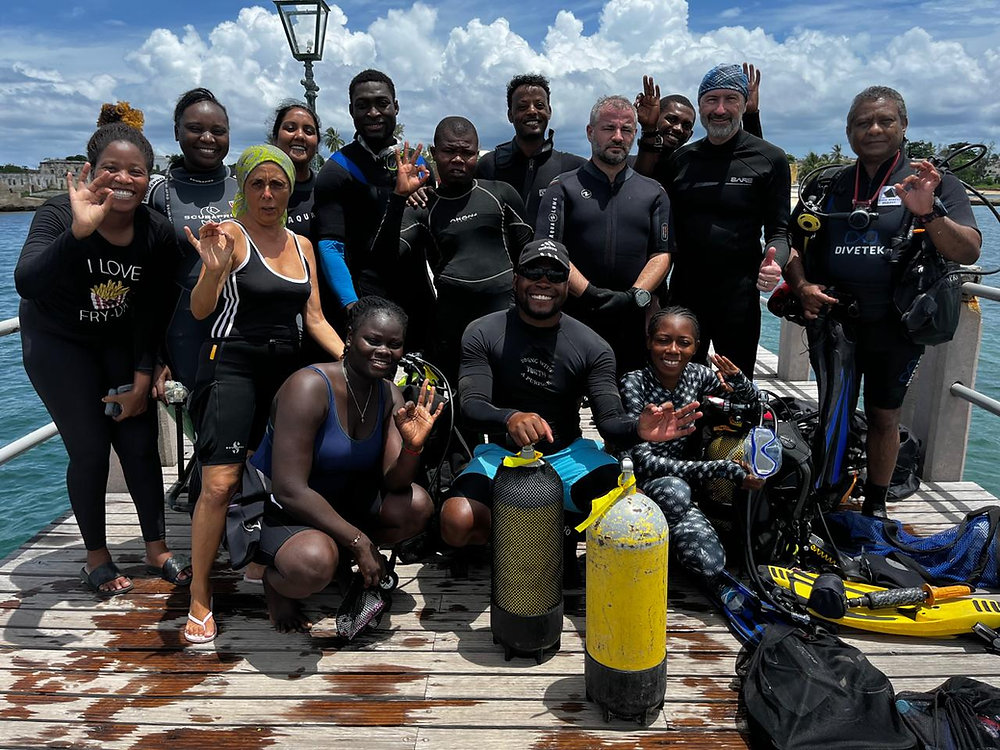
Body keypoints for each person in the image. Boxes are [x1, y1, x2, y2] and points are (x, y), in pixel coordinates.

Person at [783, 86, 981, 518]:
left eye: (884, 120)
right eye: (862, 123)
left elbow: (968, 250)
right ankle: (824, 494)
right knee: (832, 409)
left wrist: (928, 212)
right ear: (848, 132)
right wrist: (801, 286)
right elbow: (791, 242)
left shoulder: (932, 181)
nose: (873, 129)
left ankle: (875, 505)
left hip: (896, 324)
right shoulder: (828, 184)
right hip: (834, 320)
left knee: (883, 415)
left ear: (904, 126)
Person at [15, 121, 190, 596]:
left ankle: (157, 548)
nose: (123, 179)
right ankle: (95, 557)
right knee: (90, 447)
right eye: (111, 168)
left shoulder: (155, 232)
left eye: (136, 171)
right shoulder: (57, 214)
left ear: (149, 178)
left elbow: (153, 309)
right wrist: (78, 233)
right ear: (91, 170)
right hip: (57, 343)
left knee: (137, 440)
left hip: (115, 339)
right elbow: (27, 282)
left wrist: (145, 373)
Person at [182, 145, 345, 644]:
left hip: (284, 368)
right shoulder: (230, 235)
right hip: (232, 363)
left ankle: (260, 556)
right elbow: (200, 310)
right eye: (258, 184)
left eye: (278, 184)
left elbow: (314, 319)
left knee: (275, 473)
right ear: (244, 187)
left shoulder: (302, 244)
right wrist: (213, 270)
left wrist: (358, 363)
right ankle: (200, 594)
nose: (268, 194)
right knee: (220, 482)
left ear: (290, 189)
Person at [439, 239, 701, 548]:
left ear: (567, 285)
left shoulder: (593, 346)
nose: (543, 282)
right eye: (533, 272)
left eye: (555, 275)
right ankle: (519, 535)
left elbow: (610, 421)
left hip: (568, 456)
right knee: (456, 521)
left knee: (633, 516)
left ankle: (560, 522)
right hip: (502, 455)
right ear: (515, 279)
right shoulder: (482, 332)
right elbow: (471, 405)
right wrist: (510, 418)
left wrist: (637, 428)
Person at [249, 297, 439, 632]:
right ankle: (276, 582)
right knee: (313, 563)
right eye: (373, 340)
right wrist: (359, 542)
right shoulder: (308, 386)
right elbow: (289, 489)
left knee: (417, 505)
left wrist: (413, 447)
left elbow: (395, 482)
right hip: (282, 508)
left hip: (341, 501)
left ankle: (339, 559)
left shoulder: (388, 394)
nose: (384, 351)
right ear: (350, 337)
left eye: (394, 344)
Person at [371, 119, 533, 382]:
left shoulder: (501, 194)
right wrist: (399, 198)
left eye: (467, 152)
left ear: (477, 154)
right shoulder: (422, 206)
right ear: (434, 154)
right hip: (450, 332)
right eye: (449, 151)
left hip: (507, 323)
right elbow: (384, 260)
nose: (458, 159)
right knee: (454, 403)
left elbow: (529, 259)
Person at [661, 63, 789, 376]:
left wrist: (775, 264)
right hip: (684, 294)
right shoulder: (681, 159)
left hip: (739, 299)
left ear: (744, 105)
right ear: (700, 106)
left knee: (735, 388)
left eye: (730, 99)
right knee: (679, 384)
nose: (720, 109)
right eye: (711, 100)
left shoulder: (770, 159)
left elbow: (780, 231)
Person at [620, 307, 762, 583]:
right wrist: (722, 469)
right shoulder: (633, 382)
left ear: (696, 347)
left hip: (683, 483)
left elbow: (753, 406)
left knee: (710, 564)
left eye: (683, 343)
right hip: (638, 482)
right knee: (674, 491)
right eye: (663, 340)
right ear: (649, 342)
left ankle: (665, 540)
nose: (672, 350)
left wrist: (739, 381)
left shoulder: (699, 375)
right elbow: (644, 462)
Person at [535, 95, 671, 374]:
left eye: (627, 130)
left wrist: (634, 295)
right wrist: (589, 294)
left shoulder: (654, 192)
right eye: (609, 128)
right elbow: (549, 248)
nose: (618, 137)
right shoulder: (562, 188)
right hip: (573, 315)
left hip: (631, 318)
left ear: (635, 134)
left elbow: (662, 253)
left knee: (627, 398)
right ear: (590, 132)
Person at [312, 69, 429, 330]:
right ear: (351, 111)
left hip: (419, 304)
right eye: (363, 105)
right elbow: (331, 246)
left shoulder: (418, 164)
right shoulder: (337, 171)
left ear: (396, 107)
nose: (373, 113)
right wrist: (353, 307)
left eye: (382, 103)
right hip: (366, 305)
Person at [146, 88, 238, 390]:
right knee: (193, 413)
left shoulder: (245, 188)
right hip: (183, 331)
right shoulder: (158, 192)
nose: (207, 138)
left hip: (240, 329)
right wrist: (154, 358)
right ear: (177, 132)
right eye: (195, 129)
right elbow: (147, 282)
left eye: (218, 131)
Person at [475, 74, 586, 228]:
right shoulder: (488, 166)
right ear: (510, 115)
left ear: (549, 111)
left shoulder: (574, 168)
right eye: (522, 107)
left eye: (539, 105)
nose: (532, 111)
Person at [632, 63, 763, 186]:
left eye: (686, 126)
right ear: (655, 117)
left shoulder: (687, 169)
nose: (678, 128)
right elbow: (640, 185)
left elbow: (753, 165)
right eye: (671, 119)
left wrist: (750, 116)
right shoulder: (626, 166)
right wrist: (649, 129)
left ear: (690, 136)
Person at [269, 99, 321, 243]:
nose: (300, 136)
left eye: (309, 131)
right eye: (290, 128)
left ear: (317, 143)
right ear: (275, 139)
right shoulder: (259, 192)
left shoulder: (327, 188)